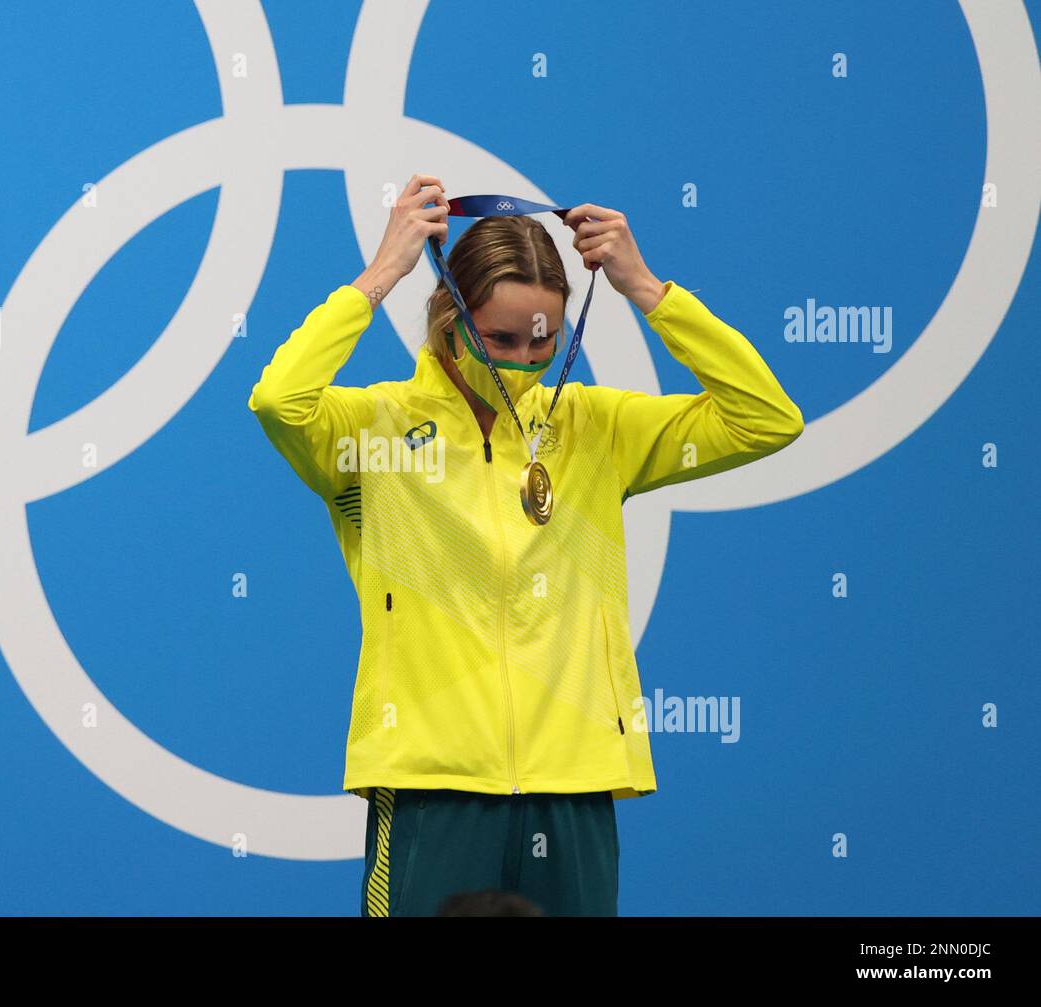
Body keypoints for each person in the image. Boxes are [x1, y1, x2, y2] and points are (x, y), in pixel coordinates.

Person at [247, 173, 804, 916]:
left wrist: (647, 289)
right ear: (451, 314)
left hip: (574, 782)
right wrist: (383, 273)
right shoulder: (369, 431)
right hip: (431, 783)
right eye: (500, 337)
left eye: (542, 340)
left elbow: (766, 418)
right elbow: (278, 399)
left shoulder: (596, 428)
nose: (522, 357)